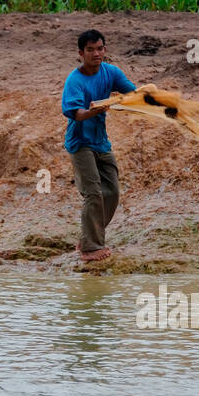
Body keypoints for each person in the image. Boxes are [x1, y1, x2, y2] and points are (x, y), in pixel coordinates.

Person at [61, 29, 136, 262]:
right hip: (80, 142)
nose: (97, 54)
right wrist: (94, 110)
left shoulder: (110, 72)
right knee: (93, 193)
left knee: (112, 192)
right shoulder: (75, 80)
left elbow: (132, 93)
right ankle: (90, 248)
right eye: (91, 50)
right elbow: (75, 113)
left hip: (101, 142)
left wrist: (134, 99)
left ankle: (88, 236)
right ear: (80, 53)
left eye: (100, 48)